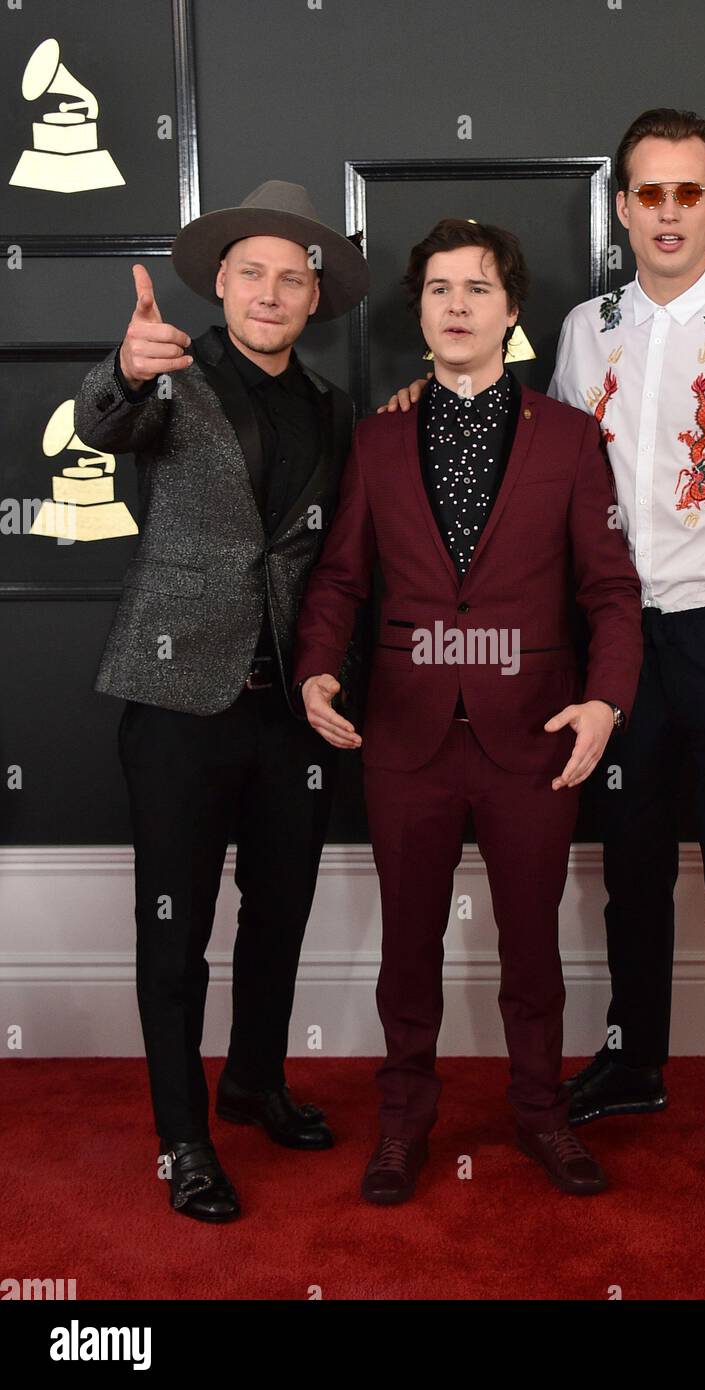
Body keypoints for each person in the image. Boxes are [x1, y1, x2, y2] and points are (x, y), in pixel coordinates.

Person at [385, 110, 705, 1201]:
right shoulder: (584, 329)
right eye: (649, 193)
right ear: (623, 207)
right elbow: (506, 420)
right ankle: (635, 1062)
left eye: (689, 192)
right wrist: (409, 405)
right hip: (612, 645)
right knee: (626, 872)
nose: (668, 212)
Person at [292, 217, 642, 1204]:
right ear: (420, 309)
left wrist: (604, 701)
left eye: (476, 288)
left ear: (509, 310)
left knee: (531, 944)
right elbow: (339, 579)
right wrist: (318, 669)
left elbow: (611, 591)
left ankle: (540, 1114)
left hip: (532, 737)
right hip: (401, 736)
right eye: (438, 287)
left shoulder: (572, 440)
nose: (455, 304)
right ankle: (402, 1121)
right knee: (408, 946)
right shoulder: (374, 437)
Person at [73, 181, 369, 1222]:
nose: (271, 291)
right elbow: (103, 418)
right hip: (175, 699)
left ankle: (253, 1081)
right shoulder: (171, 372)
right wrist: (118, 370)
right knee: (175, 928)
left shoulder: (333, 405)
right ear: (222, 282)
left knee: (277, 915)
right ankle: (184, 1139)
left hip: (286, 705)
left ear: (312, 294)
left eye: (292, 277)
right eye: (253, 272)